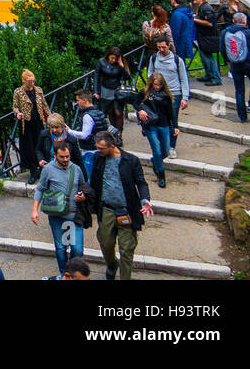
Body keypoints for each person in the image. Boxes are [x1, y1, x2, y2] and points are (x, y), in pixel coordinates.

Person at [89, 130, 153, 280]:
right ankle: (111, 264)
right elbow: (94, 181)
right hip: (106, 210)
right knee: (106, 244)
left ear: (111, 145)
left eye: (101, 148)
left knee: (127, 251)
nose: (98, 151)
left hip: (127, 211)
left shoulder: (131, 160)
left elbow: (141, 182)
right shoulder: (98, 158)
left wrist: (145, 200)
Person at [31, 140, 90, 276]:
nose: (65, 160)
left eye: (67, 156)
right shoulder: (48, 169)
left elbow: (84, 187)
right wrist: (35, 210)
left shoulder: (76, 169)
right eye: (62, 157)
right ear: (54, 155)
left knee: (77, 250)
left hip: (75, 217)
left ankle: (72, 273)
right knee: (61, 249)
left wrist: (83, 196)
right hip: (57, 216)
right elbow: (40, 189)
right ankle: (65, 275)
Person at [220, 12, 250, 122]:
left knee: (239, 90)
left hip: (235, 65)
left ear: (233, 21)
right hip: (248, 63)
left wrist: (227, 61)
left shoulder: (225, 32)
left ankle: (242, 117)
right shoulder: (248, 33)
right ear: (245, 22)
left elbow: (222, 48)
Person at [146, 38, 189, 152]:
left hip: (174, 94)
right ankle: (162, 143)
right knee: (158, 119)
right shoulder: (154, 58)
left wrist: (185, 97)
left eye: (163, 47)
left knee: (172, 120)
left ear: (169, 45)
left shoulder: (177, 60)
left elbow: (184, 79)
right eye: (159, 47)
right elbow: (150, 73)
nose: (161, 49)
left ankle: (172, 147)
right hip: (158, 93)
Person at [136, 72, 175, 187]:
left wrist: (175, 126)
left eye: (160, 85)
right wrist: (140, 110)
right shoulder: (145, 92)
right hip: (150, 125)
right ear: (151, 83)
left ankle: (156, 161)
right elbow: (135, 102)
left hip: (164, 124)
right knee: (157, 150)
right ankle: (161, 175)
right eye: (155, 84)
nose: (157, 87)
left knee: (166, 151)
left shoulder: (166, 95)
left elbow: (170, 113)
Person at [11, 70, 50, 183]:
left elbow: (45, 104)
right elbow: (15, 106)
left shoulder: (38, 90)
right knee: (29, 147)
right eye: (29, 81)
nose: (32, 83)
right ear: (24, 81)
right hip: (26, 124)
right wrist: (17, 113)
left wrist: (51, 117)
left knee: (40, 145)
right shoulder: (18, 92)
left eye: (33, 81)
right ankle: (33, 171)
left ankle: (42, 169)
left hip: (38, 122)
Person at [94, 47, 131, 134]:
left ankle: (119, 134)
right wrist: (96, 91)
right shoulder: (101, 62)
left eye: (115, 58)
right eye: (112, 58)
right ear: (108, 55)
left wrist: (122, 66)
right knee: (110, 112)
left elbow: (128, 78)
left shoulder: (120, 64)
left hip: (118, 91)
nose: (113, 60)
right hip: (106, 90)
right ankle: (113, 133)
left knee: (118, 113)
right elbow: (97, 77)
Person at [193, 0, 224, 85]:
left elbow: (210, 23)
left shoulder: (206, 8)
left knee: (208, 57)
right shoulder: (201, 7)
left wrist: (194, 19)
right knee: (204, 57)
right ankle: (209, 75)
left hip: (208, 37)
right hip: (203, 36)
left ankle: (216, 78)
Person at [169, 0, 196, 64]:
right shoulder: (188, 11)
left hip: (179, 43)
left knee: (178, 64)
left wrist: (172, 45)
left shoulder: (176, 14)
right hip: (187, 40)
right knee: (182, 64)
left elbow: (175, 31)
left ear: (173, 1)